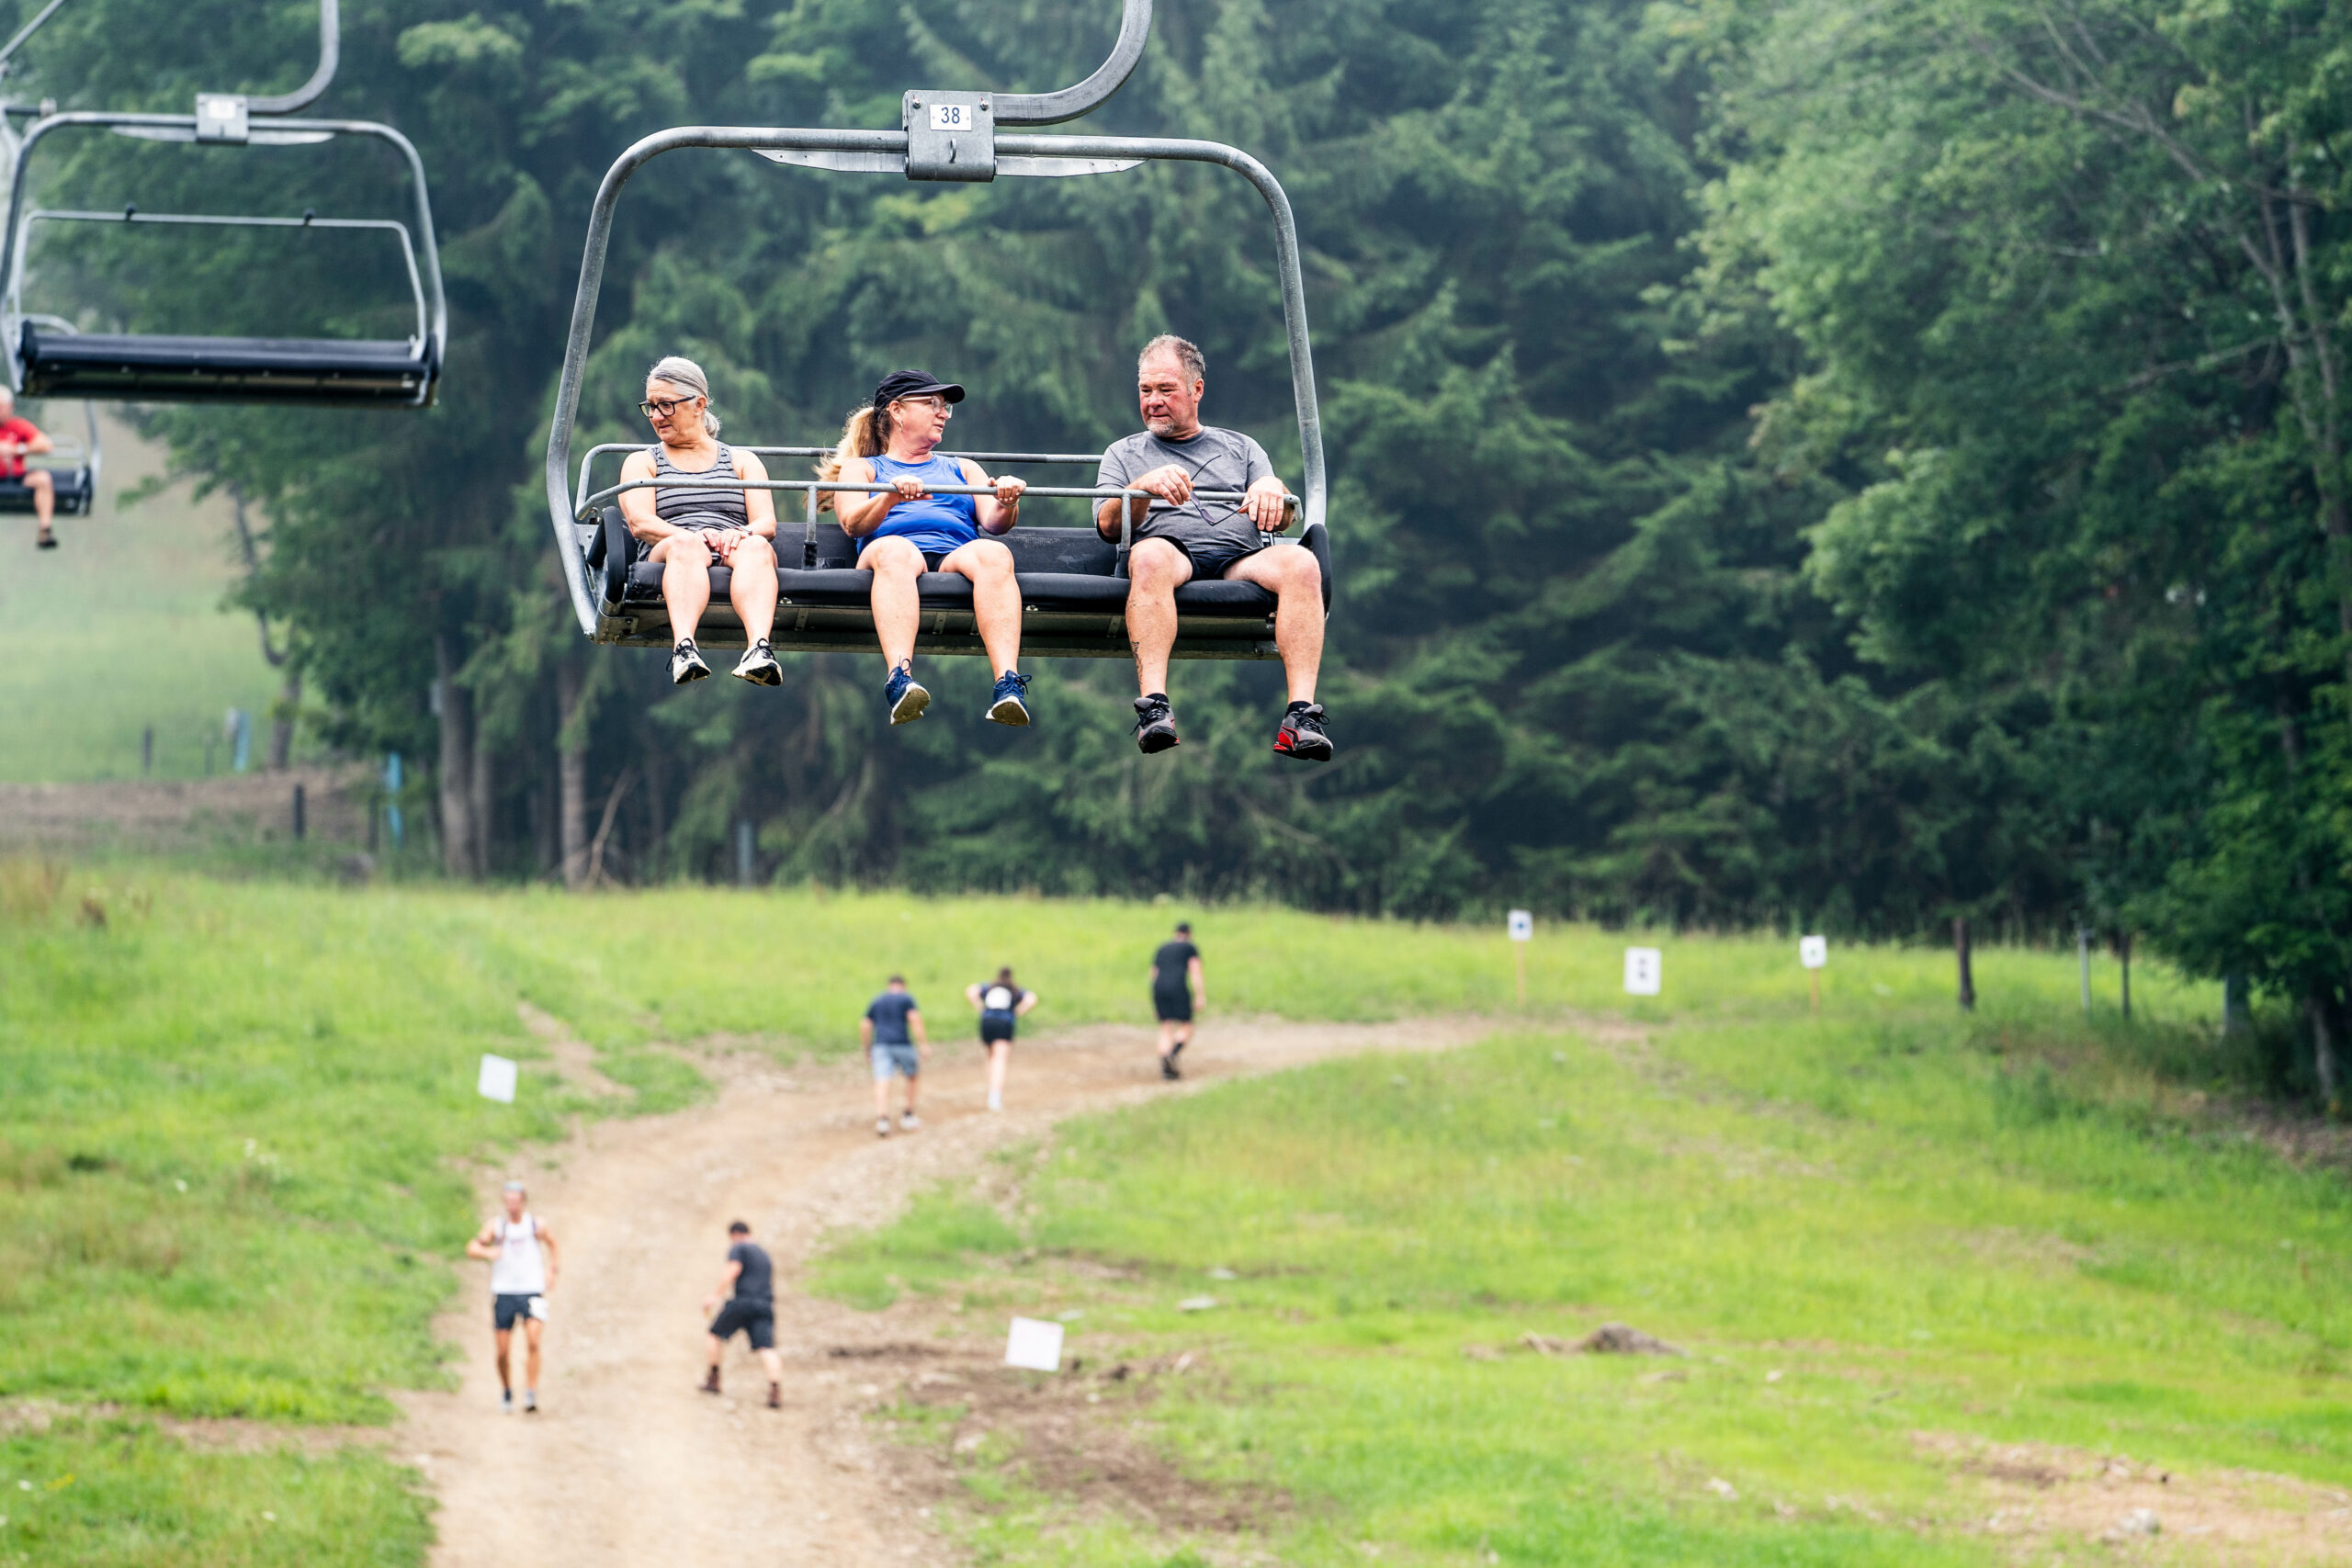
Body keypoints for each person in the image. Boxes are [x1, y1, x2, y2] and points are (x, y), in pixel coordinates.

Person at [1096, 334, 1330, 761]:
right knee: (1146, 557)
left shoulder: (1241, 448)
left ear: (1196, 389)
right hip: (1170, 555)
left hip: (1239, 558)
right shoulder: (1124, 453)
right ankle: (1155, 706)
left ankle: (1301, 715)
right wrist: (1141, 489)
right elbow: (1109, 528)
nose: (1154, 401)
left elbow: (1280, 519)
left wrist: (1270, 488)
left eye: (1166, 390)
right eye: (1146, 391)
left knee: (1302, 562)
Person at [817, 369, 1032, 728]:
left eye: (945, 407)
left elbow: (995, 524)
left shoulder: (963, 468)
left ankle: (1007, 682)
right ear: (898, 411)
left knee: (995, 554)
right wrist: (889, 498)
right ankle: (899, 677)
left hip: (952, 553)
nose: (943, 414)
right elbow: (852, 522)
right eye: (932, 404)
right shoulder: (864, 469)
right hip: (887, 552)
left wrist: (1007, 500)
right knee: (897, 552)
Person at [617, 355, 784, 688]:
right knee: (686, 545)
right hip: (670, 548)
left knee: (756, 547)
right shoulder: (644, 462)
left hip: (730, 545)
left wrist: (740, 534)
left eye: (665, 405)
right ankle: (683, 648)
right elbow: (640, 522)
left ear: (698, 404)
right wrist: (696, 536)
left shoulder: (741, 461)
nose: (656, 416)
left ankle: (758, 649)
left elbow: (766, 522)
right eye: (650, 406)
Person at [464, 1179, 560, 1415]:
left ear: (523, 1201)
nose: (512, 1205)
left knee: (534, 1341)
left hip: (531, 1290)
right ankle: (507, 1389)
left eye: (515, 1201)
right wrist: (488, 1252)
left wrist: (552, 1270)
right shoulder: (496, 1228)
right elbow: (471, 1248)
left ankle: (530, 1391)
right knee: (503, 1350)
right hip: (504, 1292)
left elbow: (553, 1245)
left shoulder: (536, 1225)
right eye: (508, 1201)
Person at [700, 1220, 783, 1409]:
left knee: (714, 1334)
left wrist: (715, 1296)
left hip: (743, 1301)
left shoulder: (739, 1248)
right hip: (765, 1304)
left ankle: (713, 1379)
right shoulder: (764, 1254)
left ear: (735, 1234)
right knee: (767, 1348)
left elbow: (733, 1269)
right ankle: (775, 1389)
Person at [862, 974, 929, 1137]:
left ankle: (882, 1119)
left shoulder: (877, 1000)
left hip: (880, 1045)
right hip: (902, 1044)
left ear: (889, 985)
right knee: (912, 1076)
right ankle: (908, 1114)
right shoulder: (906, 999)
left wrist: (867, 1049)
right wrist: (923, 1043)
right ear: (903, 985)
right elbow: (914, 1019)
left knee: (882, 1081)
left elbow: (865, 1025)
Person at [966, 966, 1038, 1112]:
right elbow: (1032, 999)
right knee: (1000, 1059)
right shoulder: (1015, 989)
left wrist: (980, 1007)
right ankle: (995, 1095)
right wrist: (1018, 1011)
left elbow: (971, 990)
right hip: (1004, 1022)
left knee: (990, 1056)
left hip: (986, 1022)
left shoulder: (989, 986)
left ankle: (990, 1088)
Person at [0, 389, 59, 549]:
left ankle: (45, 530)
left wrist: (16, 449)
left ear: (10, 407)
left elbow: (46, 445)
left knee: (43, 479)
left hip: (15, 476)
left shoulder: (17, 426)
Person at [1149, 920, 1205, 1081]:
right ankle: (1172, 1054)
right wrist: (1199, 995)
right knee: (1186, 1026)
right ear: (1189, 934)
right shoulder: (1189, 947)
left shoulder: (1162, 948)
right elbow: (1195, 971)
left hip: (1159, 989)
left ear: (1175, 933)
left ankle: (1166, 1070)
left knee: (1166, 1026)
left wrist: (1155, 1001)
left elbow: (1154, 973)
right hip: (1178, 987)